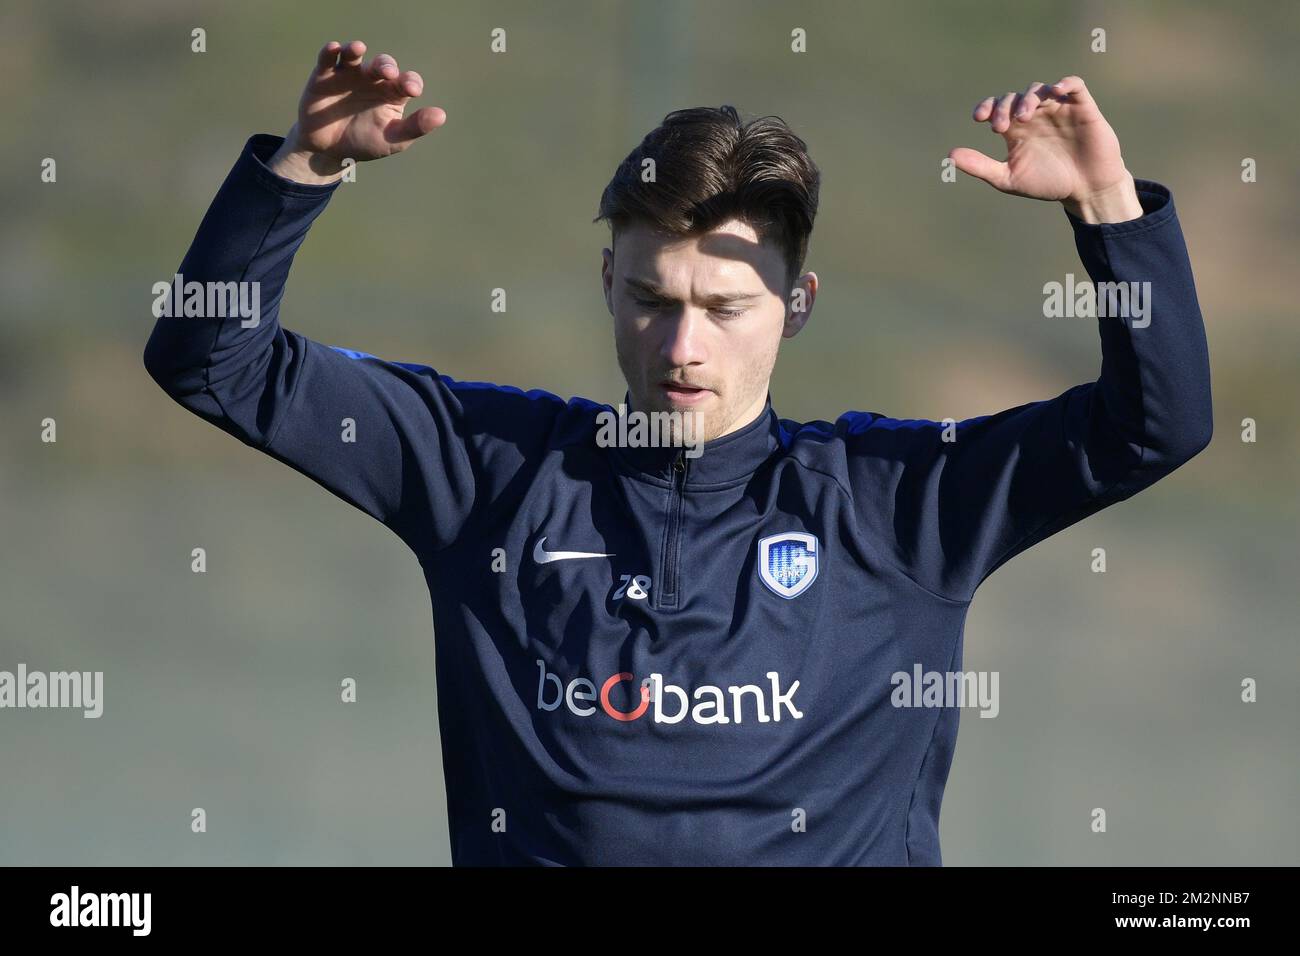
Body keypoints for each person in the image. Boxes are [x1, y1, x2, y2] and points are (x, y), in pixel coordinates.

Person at [143, 40, 1213, 865]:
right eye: (652, 299)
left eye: (725, 305)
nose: (683, 345)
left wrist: (1109, 214)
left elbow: (1154, 422)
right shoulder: (489, 469)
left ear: (797, 307)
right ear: (606, 283)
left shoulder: (900, 505)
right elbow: (211, 360)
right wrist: (301, 168)